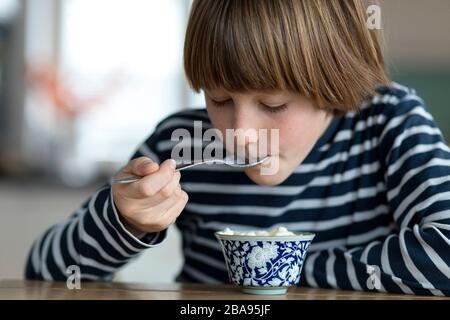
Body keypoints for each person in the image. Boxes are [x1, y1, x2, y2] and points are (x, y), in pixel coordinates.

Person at [25, 0, 450, 295]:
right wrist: (124, 220)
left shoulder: (387, 124)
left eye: (273, 104)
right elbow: (46, 275)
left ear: (332, 85)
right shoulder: (183, 143)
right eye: (220, 99)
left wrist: (287, 267)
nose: (240, 134)